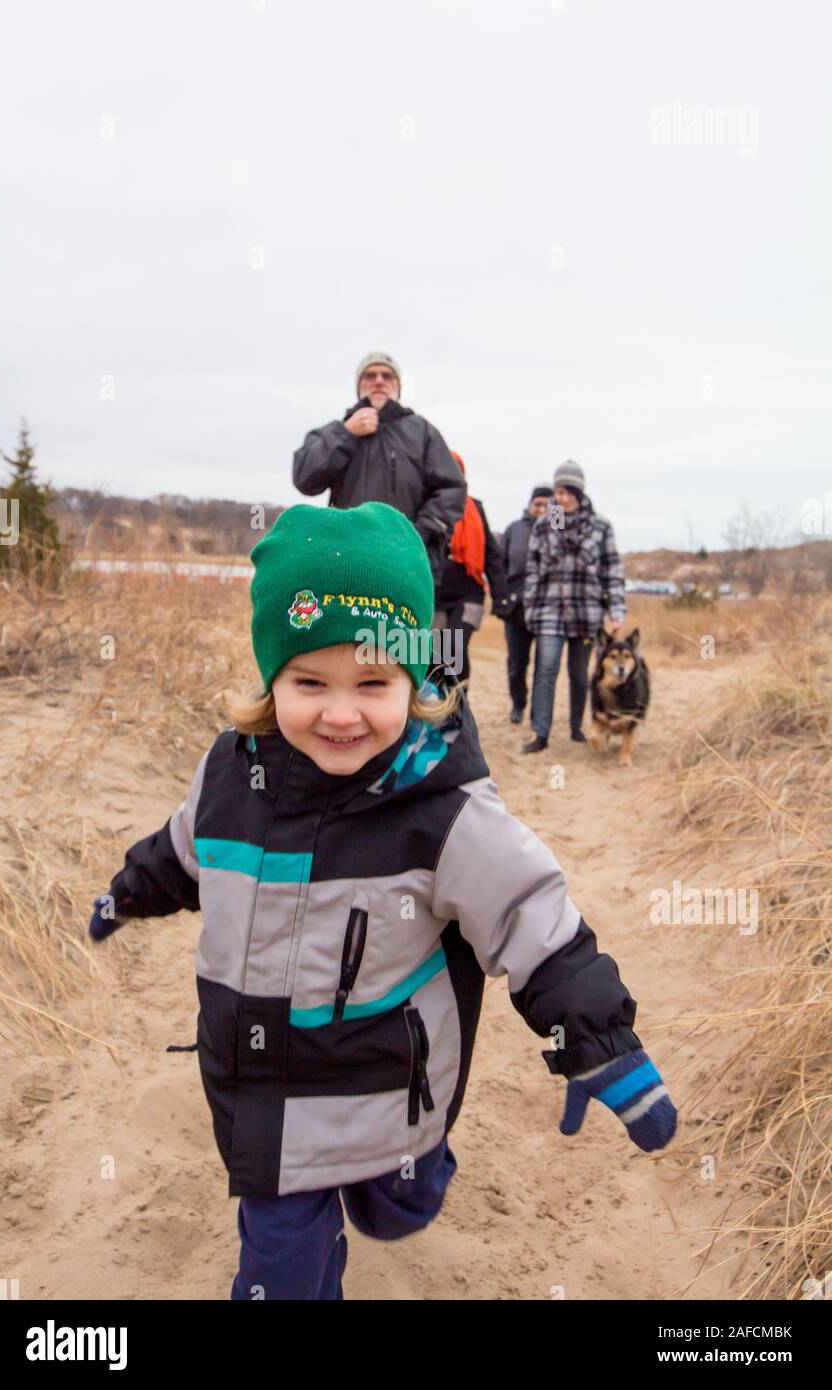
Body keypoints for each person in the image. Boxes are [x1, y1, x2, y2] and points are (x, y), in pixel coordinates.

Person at [88, 501, 674, 1301]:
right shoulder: (230, 776)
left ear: (415, 679)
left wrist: (600, 1036)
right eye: (308, 682)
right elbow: (184, 850)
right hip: (263, 1099)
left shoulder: (442, 810)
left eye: (371, 681)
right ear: (271, 678)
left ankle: (411, 1173)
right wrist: (127, 892)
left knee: (399, 1210)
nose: (339, 712)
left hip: (388, 1090)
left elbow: (529, 914)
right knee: (281, 1269)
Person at [292, 351, 466, 586]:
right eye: (370, 375)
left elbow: (452, 488)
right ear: (358, 385)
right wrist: (346, 433)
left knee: (400, 625)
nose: (379, 381)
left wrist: (416, 534)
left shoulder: (422, 432)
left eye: (387, 375)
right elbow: (305, 478)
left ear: (397, 385)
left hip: (408, 564)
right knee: (349, 623)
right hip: (347, 559)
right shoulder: (337, 431)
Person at [522, 461, 626, 754]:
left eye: (569, 492)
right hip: (549, 611)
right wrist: (530, 603)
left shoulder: (600, 526)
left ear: (579, 493)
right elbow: (532, 568)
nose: (563, 498)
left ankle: (576, 727)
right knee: (545, 670)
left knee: (580, 674)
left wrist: (616, 609)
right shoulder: (545, 525)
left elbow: (613, 571)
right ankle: (540, 733)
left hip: (586, 613)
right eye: (559, 491)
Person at [432, 452, 507, 687]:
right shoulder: (428, 509)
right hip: (435, 596)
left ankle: (460, 704)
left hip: (469, 594)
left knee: (455, 646)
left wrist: (500, 594)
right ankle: (438, 703)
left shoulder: (475, 508)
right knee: (435, 652)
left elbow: (491, 553)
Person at [494, 485, 554, 724]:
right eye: (537, 504)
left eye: (547, 505)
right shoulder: (514, 529)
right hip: (516, 607)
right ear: (529, 505)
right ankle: (518, 703)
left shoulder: (557, 529)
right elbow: (498, 564)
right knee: (516, 664)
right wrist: (503, 596)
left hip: (547, 607)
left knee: (544, 666)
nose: (541, 509)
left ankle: (537, 714)